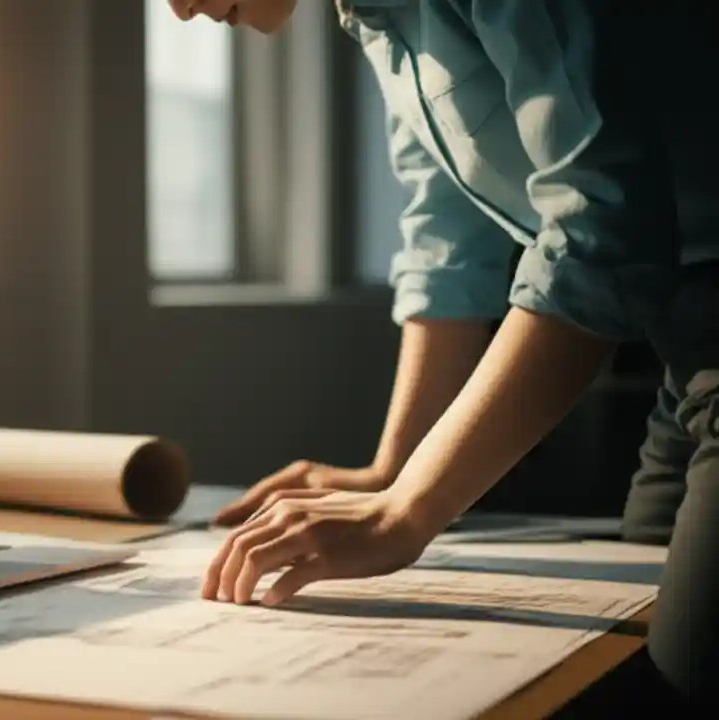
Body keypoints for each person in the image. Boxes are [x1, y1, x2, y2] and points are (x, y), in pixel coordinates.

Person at [167, 0, 719, 698]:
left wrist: (407, 512)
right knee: (622, 654)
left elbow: (602, 233)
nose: (179, 10)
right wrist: (392, 470)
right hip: (685, 344)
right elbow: (449, 240)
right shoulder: (374, 16)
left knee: (680, 674)